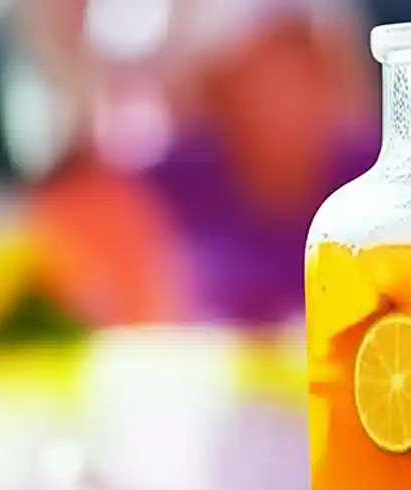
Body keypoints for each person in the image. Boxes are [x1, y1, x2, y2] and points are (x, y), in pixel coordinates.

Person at [146, 0, 379, 324]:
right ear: (217, 91)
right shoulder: (164, 188)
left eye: (304, 69)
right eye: (259, 76)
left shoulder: (381, 179)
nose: (283, 97)